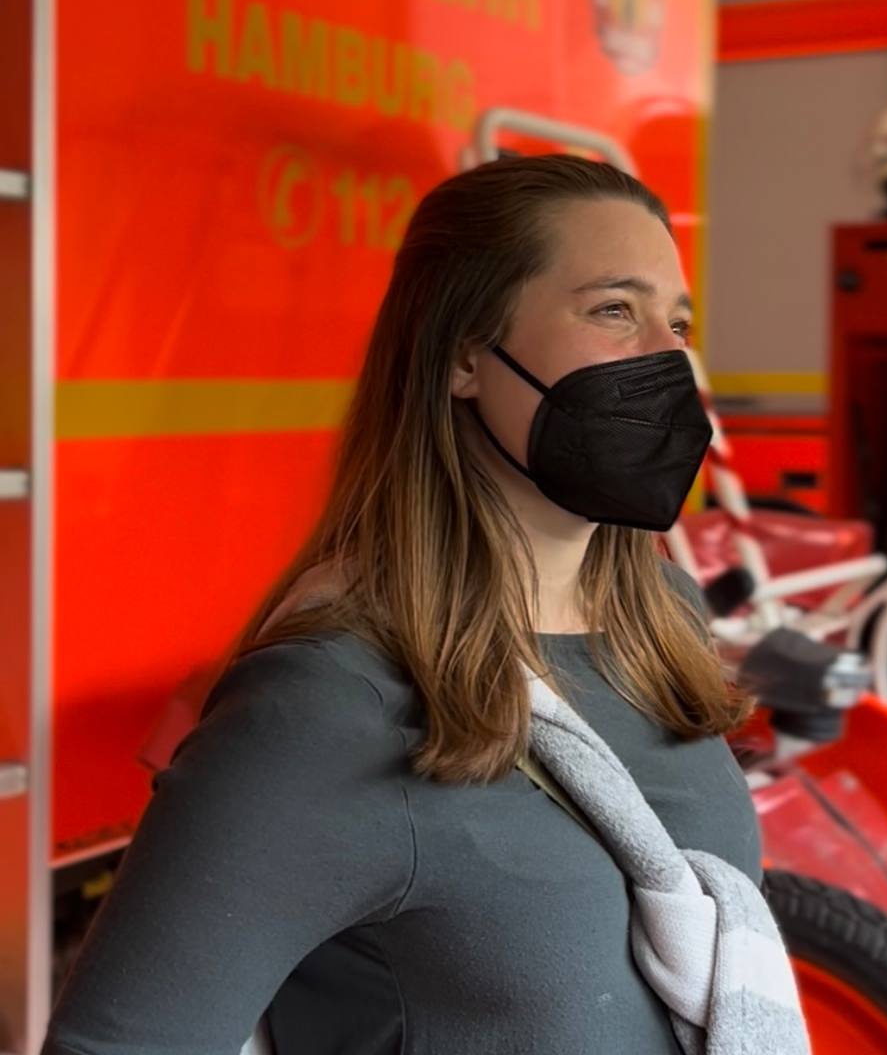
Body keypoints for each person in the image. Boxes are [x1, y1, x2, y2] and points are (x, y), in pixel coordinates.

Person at [42, 155, 771, 1055]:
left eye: (679, 321)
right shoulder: (333, 702)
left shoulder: (664, 623)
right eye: (613, 311)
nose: (669, 359)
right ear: (465, 354)